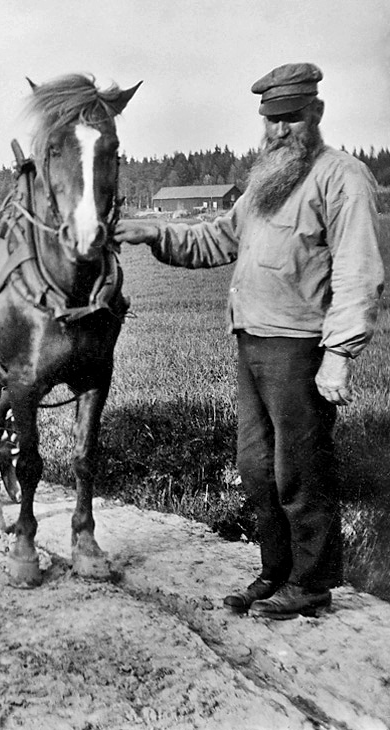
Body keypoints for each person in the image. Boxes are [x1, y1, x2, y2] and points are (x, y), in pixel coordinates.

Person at [114, 62, 384, 620]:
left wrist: (339, 356)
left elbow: (359, 271)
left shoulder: (342, 177)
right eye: (271, 120)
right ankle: (276, 571)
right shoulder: (265, 182)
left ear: (316, 114)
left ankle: (310, 585)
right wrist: (153, 232)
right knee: (258, 468)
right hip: (251, 342)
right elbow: (217, 238)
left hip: (301, 348)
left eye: (290, 118)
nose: (279, 130)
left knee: (300, 470)